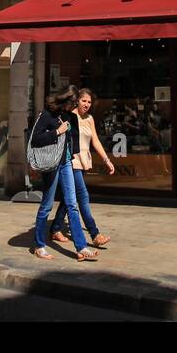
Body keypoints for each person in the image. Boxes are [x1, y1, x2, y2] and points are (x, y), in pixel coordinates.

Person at [28, 90, 97, 262]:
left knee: (72, 204)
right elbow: (35, 138)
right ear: (65, 101)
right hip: (52, 164)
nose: (74, 108)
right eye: (73, 104)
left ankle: (81, 248)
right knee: (47, 205)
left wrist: (75, 157)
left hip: (67, 163)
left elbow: (73, 141)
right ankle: (39, 245)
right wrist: (57, 132)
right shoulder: (48, 115)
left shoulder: (71, 117)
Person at [50, 87, 113, 249]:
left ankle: (56, 228)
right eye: (83, 100)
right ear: (77, 100)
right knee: (82, 196)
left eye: (89, 102)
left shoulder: (90, 119)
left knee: (67, 198)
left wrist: (106, 159)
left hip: (84, 162)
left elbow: (96, 141)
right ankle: (95, 234)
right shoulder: (70, 116)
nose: (86, 104)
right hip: (71, 162)